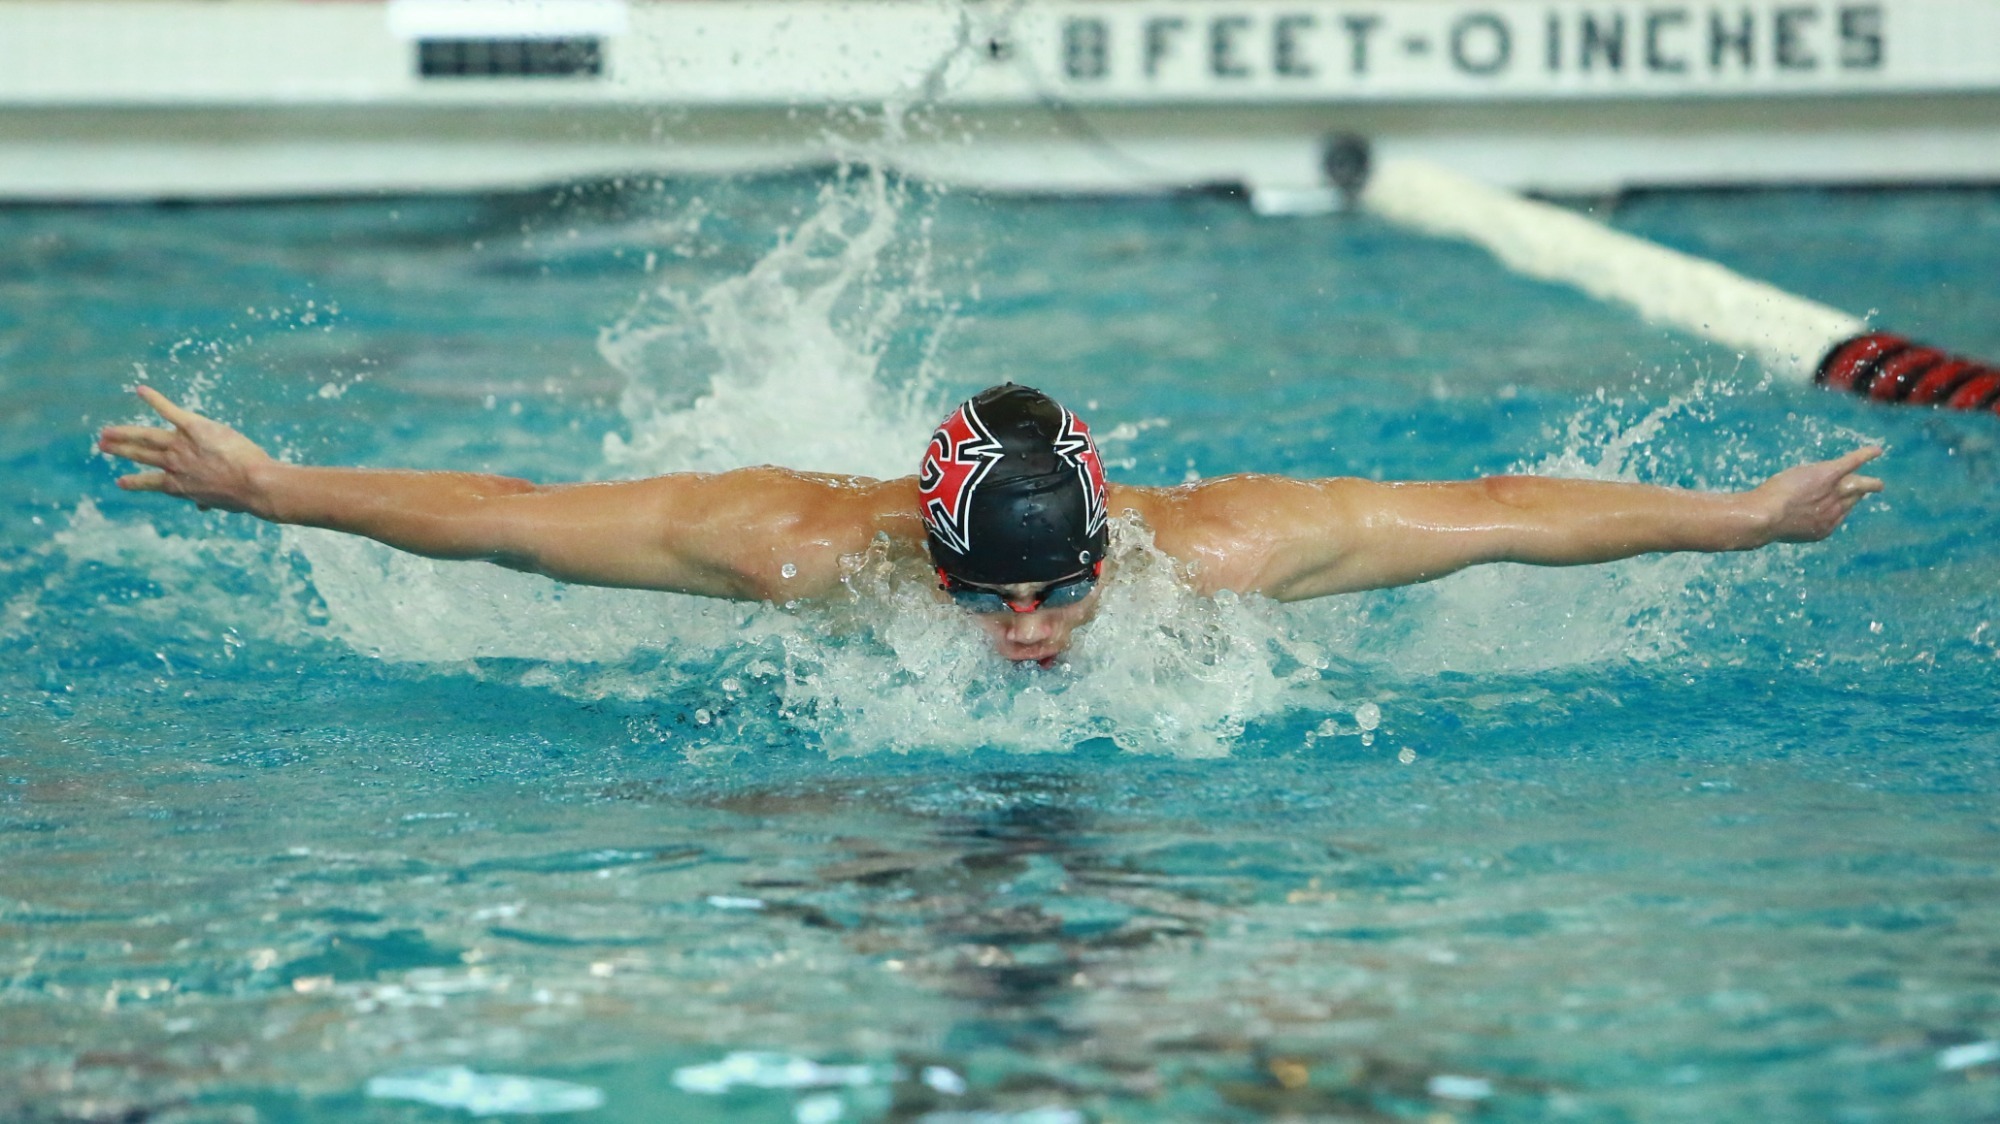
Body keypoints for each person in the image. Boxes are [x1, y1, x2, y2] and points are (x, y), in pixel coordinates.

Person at [97, 382, 1883, 665]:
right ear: (928, 560)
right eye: (990, 604)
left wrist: (1736, 518)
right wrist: (270, 490)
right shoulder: (792, 544)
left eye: (1058, 596)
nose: (1028, 637)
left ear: (1109, 546)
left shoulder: (1228, 548)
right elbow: (508, 519)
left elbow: (1495, 516)